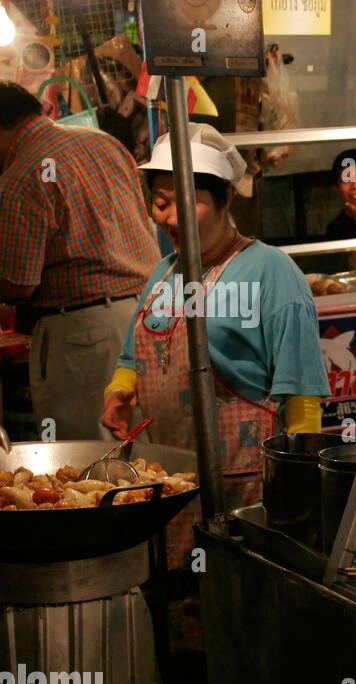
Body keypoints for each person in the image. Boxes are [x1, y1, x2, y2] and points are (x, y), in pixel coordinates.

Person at [101, 124, 329, 592]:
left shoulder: (272, 272)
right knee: (181, 607)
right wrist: (120, 389)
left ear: (226, 200)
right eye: (161, 202)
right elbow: (132, 353)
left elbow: (301, 388)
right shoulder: (163, 275)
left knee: (235, 603)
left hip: (243, 486)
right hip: (171, 484)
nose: (170, 217)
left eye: (187, 202)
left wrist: (300, 488)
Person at [0, 80, 158, 439]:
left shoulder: (20, 177)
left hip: (84, 337)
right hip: (149, 315)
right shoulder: (103, 142)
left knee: (95, 459)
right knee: (146, 449)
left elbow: (19, 284)